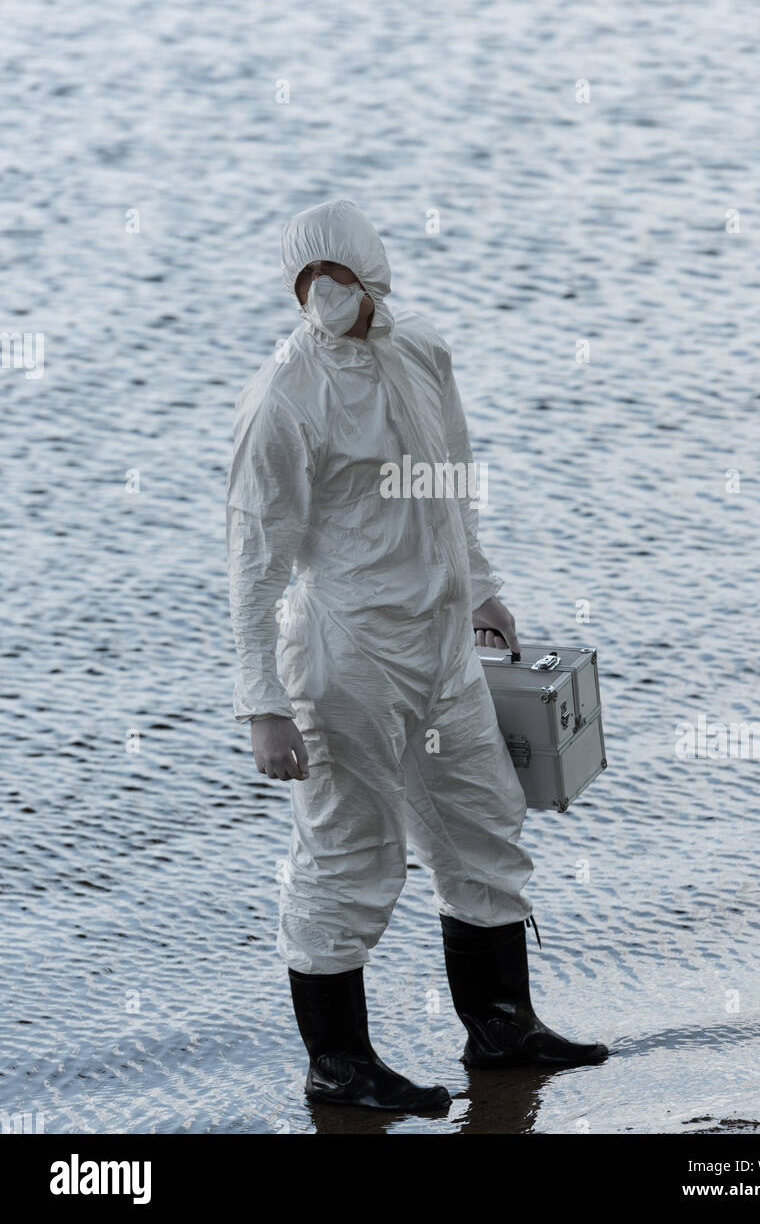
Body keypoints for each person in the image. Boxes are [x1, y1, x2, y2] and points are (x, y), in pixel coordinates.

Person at [225, 198, 608, 1114]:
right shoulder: (284, 396)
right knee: (347, 854)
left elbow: (452, 472)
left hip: (438, 643)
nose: (322, 294)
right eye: (307, 281)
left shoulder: (419, 351)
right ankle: (340, 1068)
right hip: (346, 654)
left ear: (374, 274)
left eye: (340, 276)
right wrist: (264, 703)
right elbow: (252, 556)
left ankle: (501, 1028)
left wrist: (478, 588)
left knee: (482, 820)